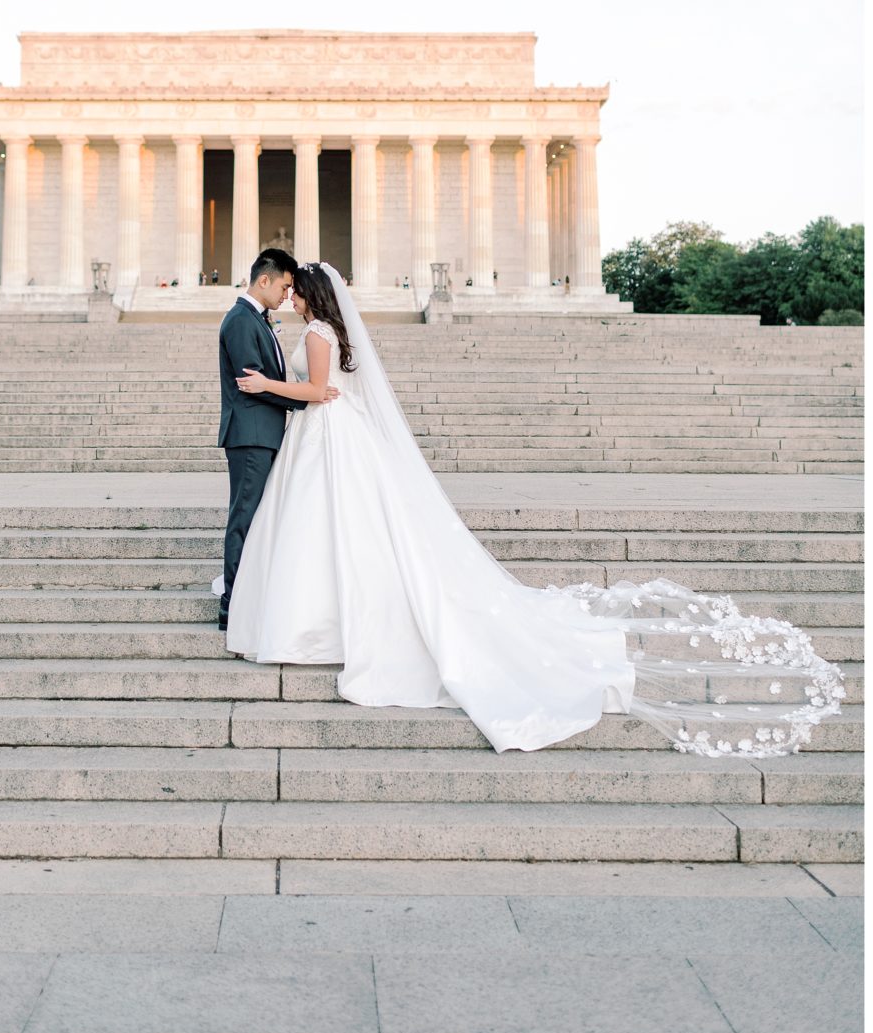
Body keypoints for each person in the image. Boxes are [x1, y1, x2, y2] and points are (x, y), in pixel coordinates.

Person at [225, 262, 845, 755]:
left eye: (293, 290)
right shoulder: (318, 330)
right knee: (342, 530)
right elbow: (323, 389)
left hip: (330, 435)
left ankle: (316, 620)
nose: (288, 297)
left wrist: (266, 386)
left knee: (335, 529)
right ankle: (323, 615)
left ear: (305, 294)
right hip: (329, 434)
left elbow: (314, 390)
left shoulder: (314, 332)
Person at [215, 249, 339, 632]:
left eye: (294, 288)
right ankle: (232, 605)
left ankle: (250, 596)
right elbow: (251, 382)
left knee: (258, 518)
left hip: (264, 433)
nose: (289, 294)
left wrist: (307, 394)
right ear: (264, 280)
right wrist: (309, 397)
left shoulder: (257, 319)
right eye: (285, 285)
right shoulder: (239, 320)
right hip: (251, 435)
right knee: (245, 519)